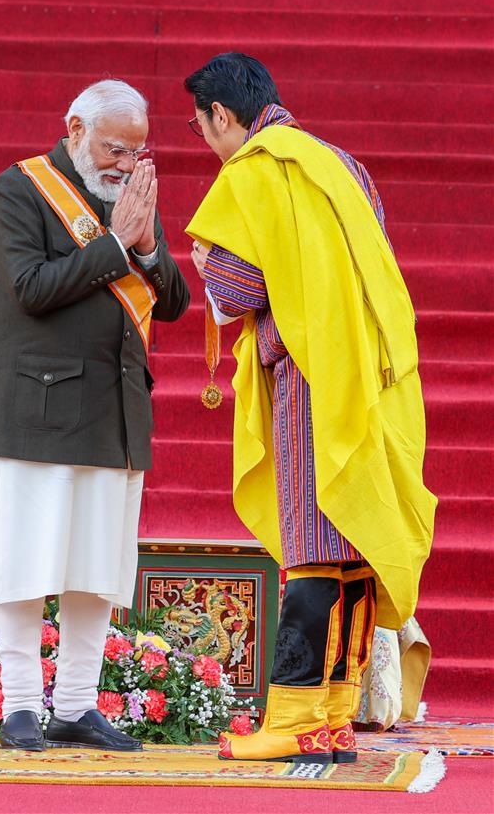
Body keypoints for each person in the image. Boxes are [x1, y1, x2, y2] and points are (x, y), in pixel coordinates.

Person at [185, 53, 436, 764]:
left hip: (308, 376)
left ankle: (294, 715)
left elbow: (235, 288)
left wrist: (205, 265)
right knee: (350, 546)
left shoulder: (254, 171)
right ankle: (332, 713)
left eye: (203, 129)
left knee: (312, 551)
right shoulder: (342, 166)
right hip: (365, 371)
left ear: (223, 116)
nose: (208, 143)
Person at [0, 79, 190, 752]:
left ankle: (79, 705)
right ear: (76, 128)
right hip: (33, 409)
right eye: (116, 148)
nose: (125, 163)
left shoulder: (130, 197)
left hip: (113, 408)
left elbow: (169, 300)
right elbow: (29, 288)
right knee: (26, 563)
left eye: (137, 151)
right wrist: (116, 246)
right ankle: (23, 705)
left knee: (97, 567)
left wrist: (145, 248)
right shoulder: (20, 188)